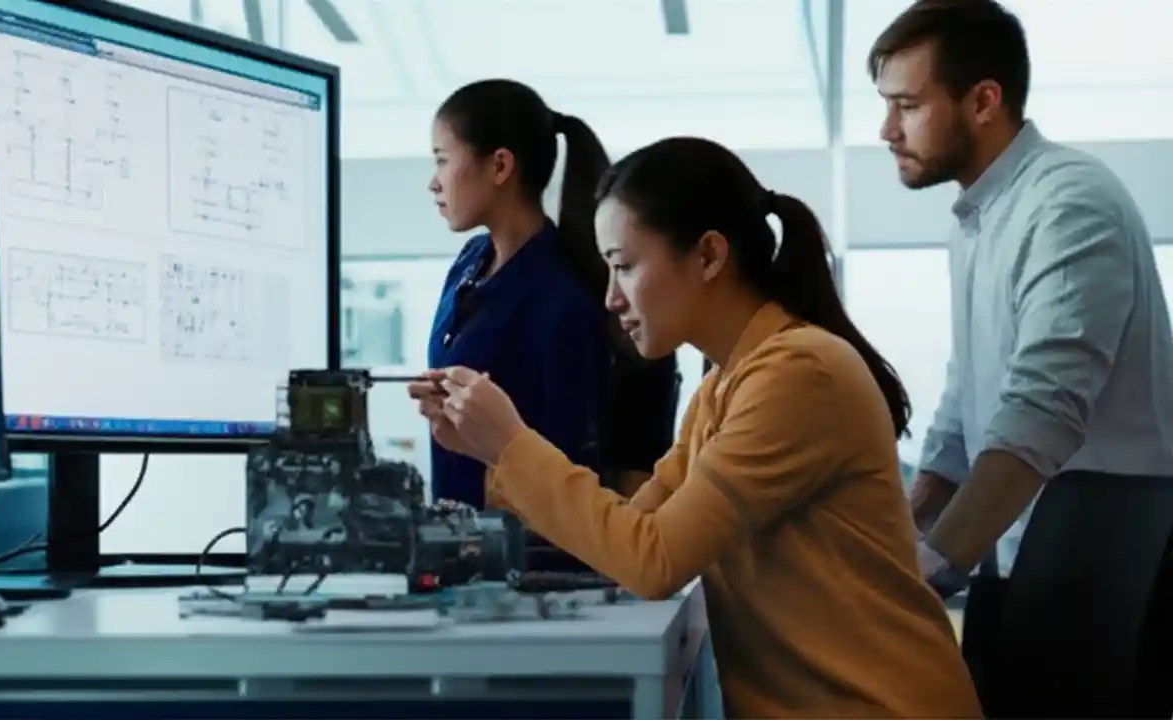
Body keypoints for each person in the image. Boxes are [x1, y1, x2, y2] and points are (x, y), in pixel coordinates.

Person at [412, 137, 982, 718]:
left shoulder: (799, 372)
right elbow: (631, 535)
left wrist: (511, 444)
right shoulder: (727, 384)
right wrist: (489, 448)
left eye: (625, 267)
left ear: (709, 256)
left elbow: (654, 560)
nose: (611, 298)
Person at [869, 0, 1173, 609]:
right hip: (1021, 553)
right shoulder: (976, 223)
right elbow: (965, 403)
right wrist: (898, 537)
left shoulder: (1068, 205)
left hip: (1098, 556)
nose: (887, 130)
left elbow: (1042, 409)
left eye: (907, 106)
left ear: (983, 101)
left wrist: (928, 567)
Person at [422, 79, 678, 514]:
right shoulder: (471, 262)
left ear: (500, 166)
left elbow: (569, 468)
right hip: (459, 547)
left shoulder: (562, 301)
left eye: (443, 160)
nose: (434, 183)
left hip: (532, 560)